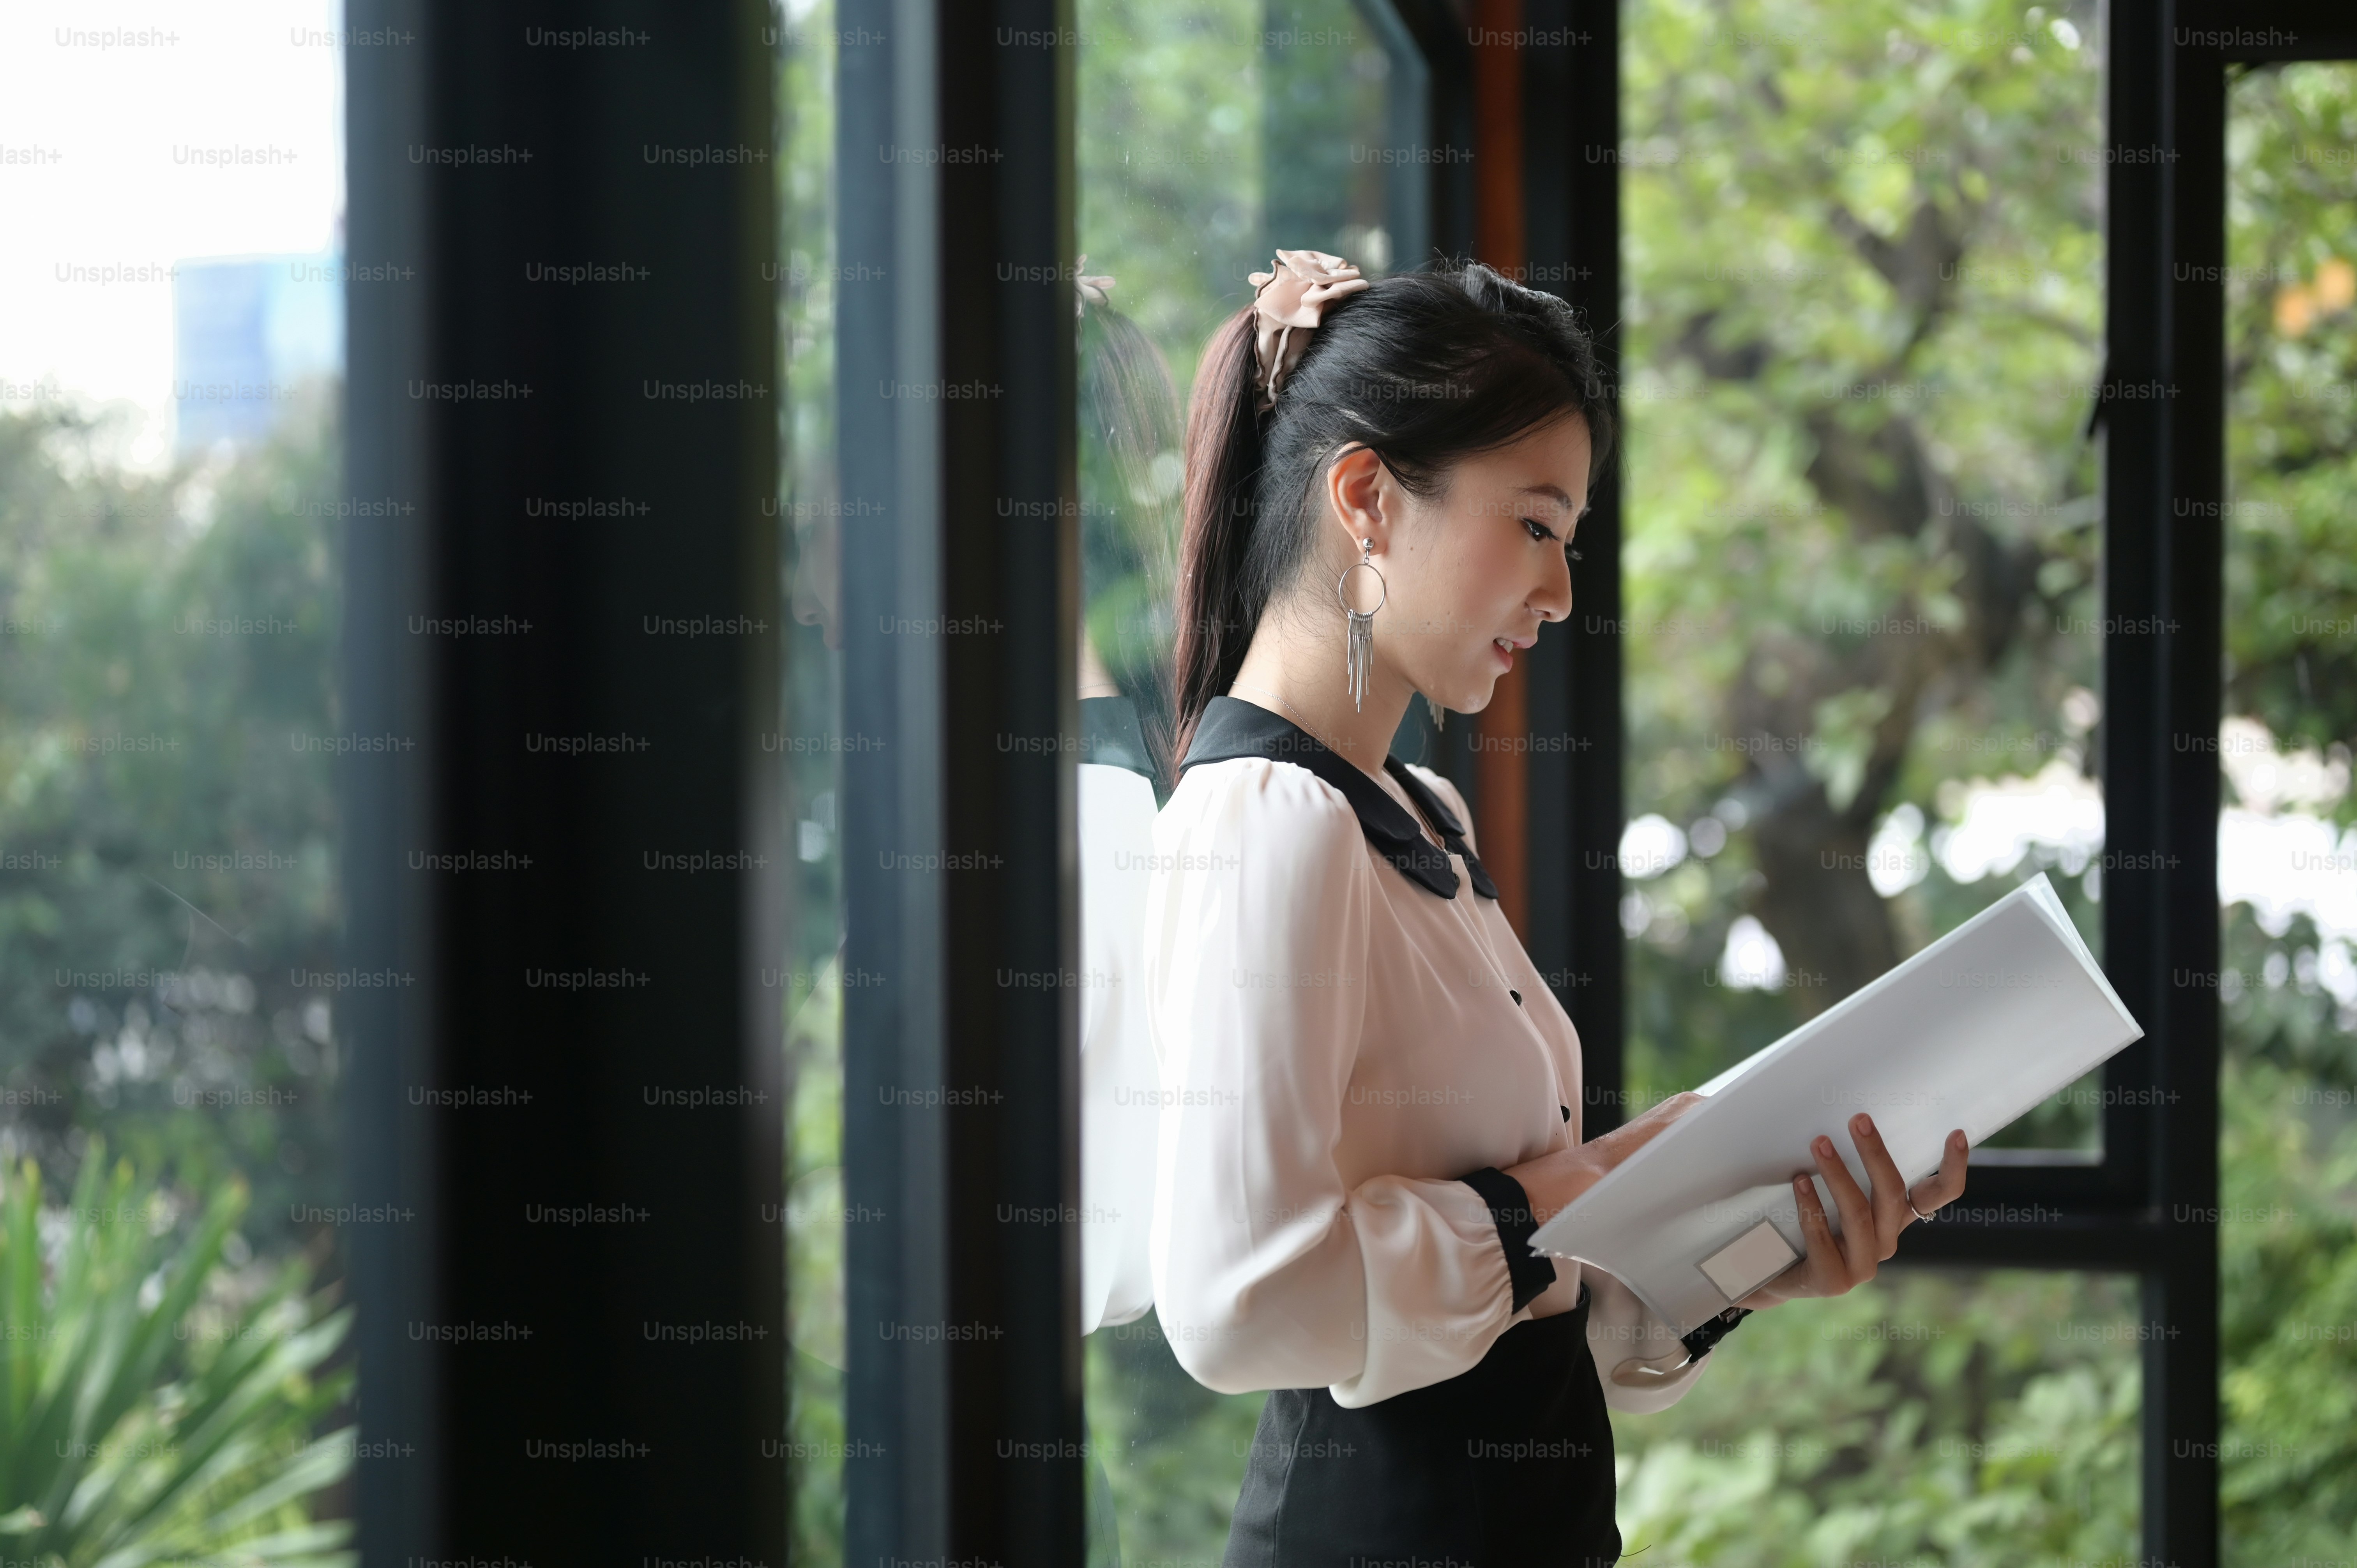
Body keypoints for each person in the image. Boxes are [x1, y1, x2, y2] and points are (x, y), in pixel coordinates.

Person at [1140, 251, 1973, 1567]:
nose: (1561, 593)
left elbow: (1519, 1311)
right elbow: (1237, 1307)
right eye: (1535, 524)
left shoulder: (1422, 814)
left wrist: (1753, 1252)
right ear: (1366, 498)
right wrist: (1564, 1188)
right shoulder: (1268, 824)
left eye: (1568, 540)